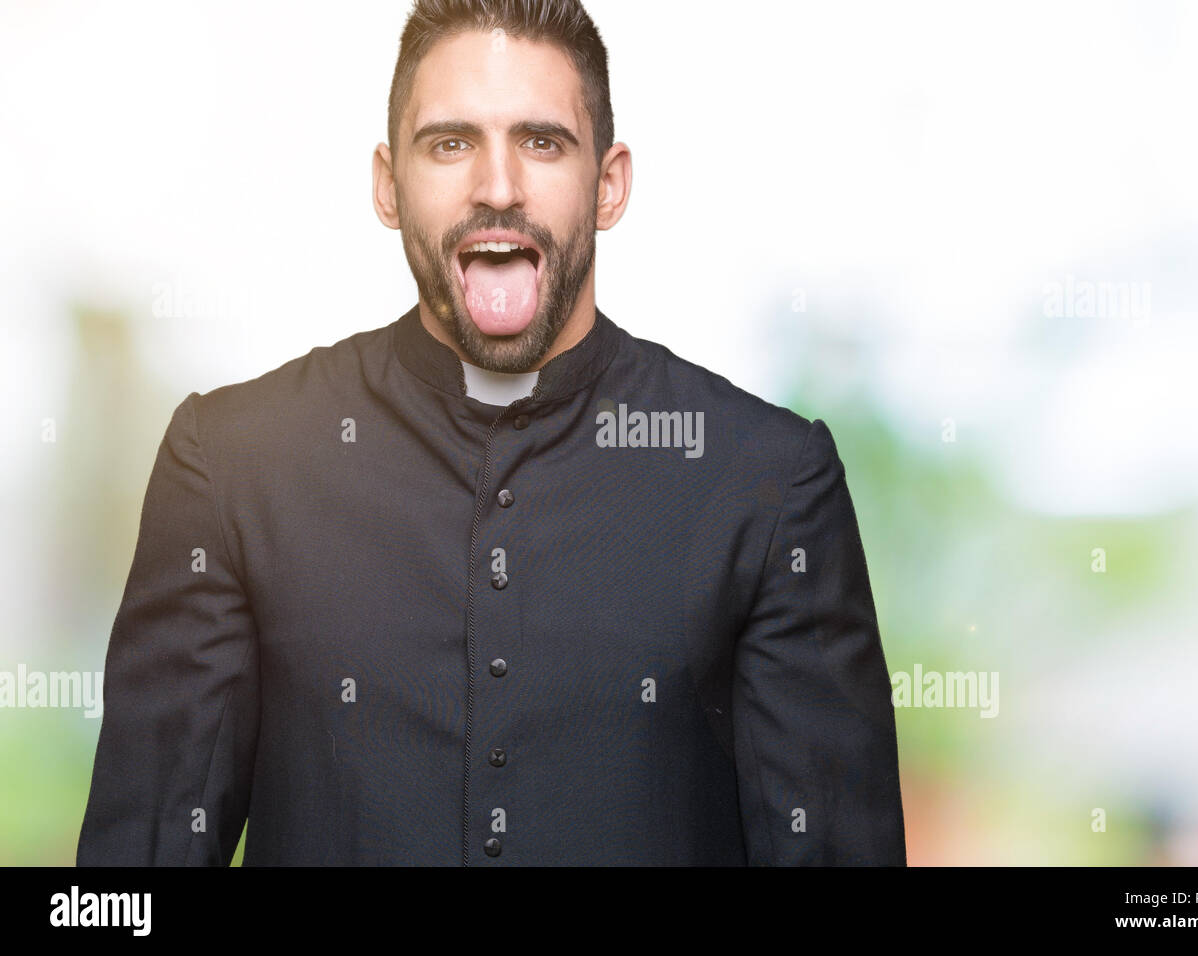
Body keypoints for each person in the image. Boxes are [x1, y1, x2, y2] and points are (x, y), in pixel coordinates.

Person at [76, 0, 906, 866]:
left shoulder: (768, 481)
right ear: (388, 185)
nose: (498, 187)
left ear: (610, 183)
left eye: (542, 142)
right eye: (451, 143)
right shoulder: (232, 462)